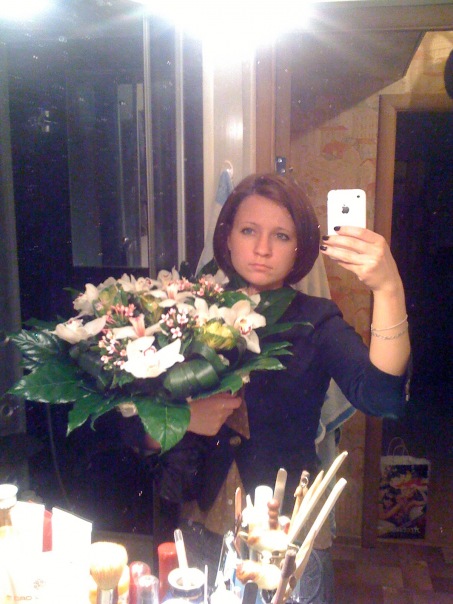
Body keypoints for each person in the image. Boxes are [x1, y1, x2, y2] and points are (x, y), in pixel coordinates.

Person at [140, 172, 410, 603]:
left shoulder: (317, 320)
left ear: (299, 247)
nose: (262, 248)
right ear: (227, 238)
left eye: (281, 236)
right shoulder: (187, 311)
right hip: (201, 521)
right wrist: (186, 418)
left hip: (288, 532)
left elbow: (383, 397)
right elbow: (135, 426)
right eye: (249, 230)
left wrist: (388, 288)